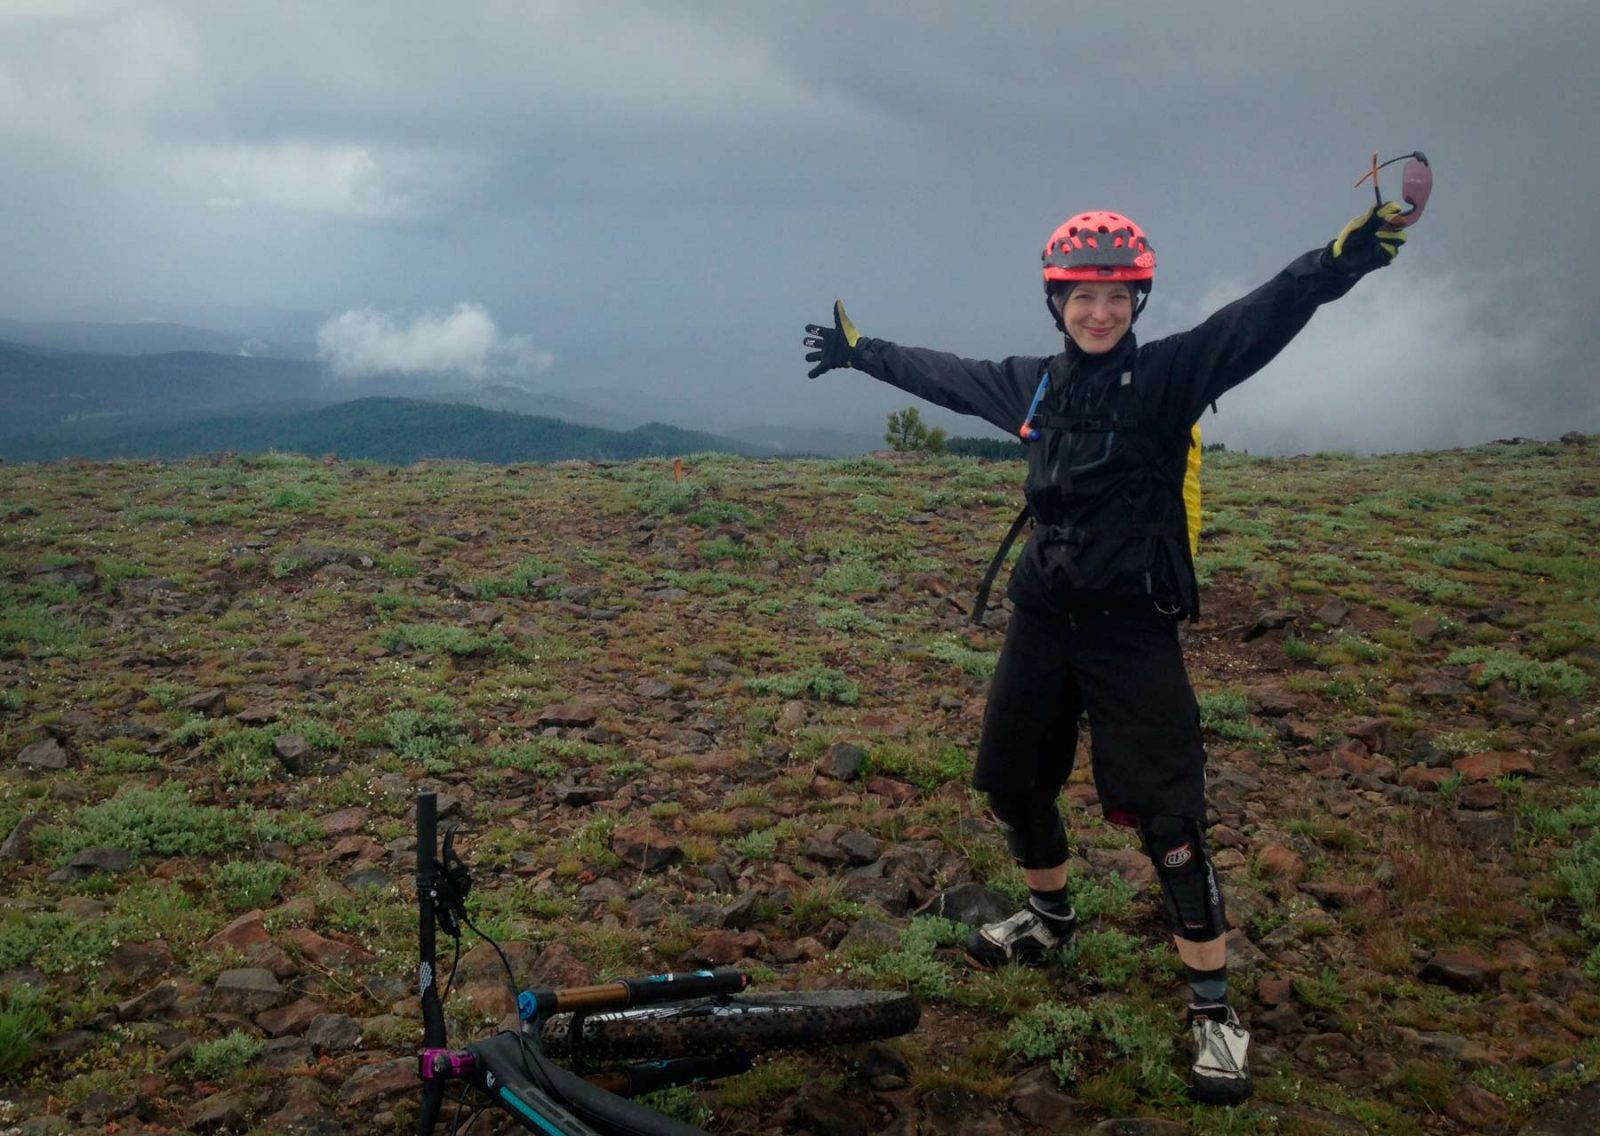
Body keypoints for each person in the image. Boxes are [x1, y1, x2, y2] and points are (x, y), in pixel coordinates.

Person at [802, 202, 1409, 1105]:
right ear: (1058, 303)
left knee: (1166, 819)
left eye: (1116, 296)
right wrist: (864, 352)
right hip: (1044, 615)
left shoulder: (1169, 377)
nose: (1098, 312)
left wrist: (1341, 259)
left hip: (1132, 627)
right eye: (1081, 296)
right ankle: (1050, 918)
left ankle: (1214, 1013)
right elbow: (950, 378)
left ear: (1138, 302)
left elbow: (1264, 315)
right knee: (1012, 783)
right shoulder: (1035, 387)